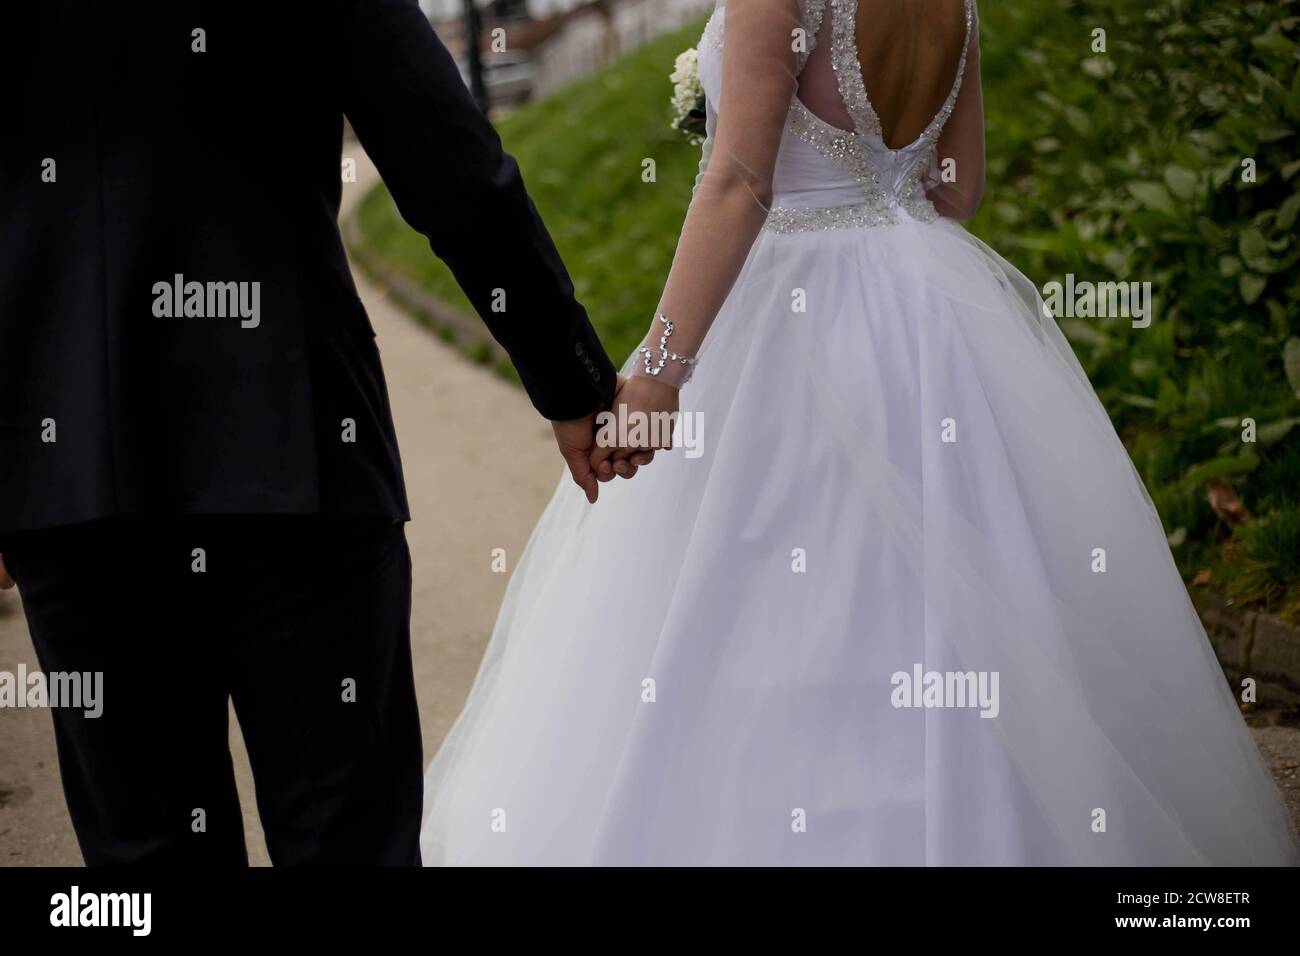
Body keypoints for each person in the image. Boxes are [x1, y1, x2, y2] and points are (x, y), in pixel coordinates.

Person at [419, 0, 1300, 864]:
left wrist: (656, 371)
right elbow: (957, 192)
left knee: (772, 592)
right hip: (933, 310)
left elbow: (740, 182)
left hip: (799, 311)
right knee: (948, 592)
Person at [0, 0, 641, 865]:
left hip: (69, 466)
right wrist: (573, 381)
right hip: (293, 441)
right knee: (347, 836)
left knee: (144, 856)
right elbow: (449, 159)